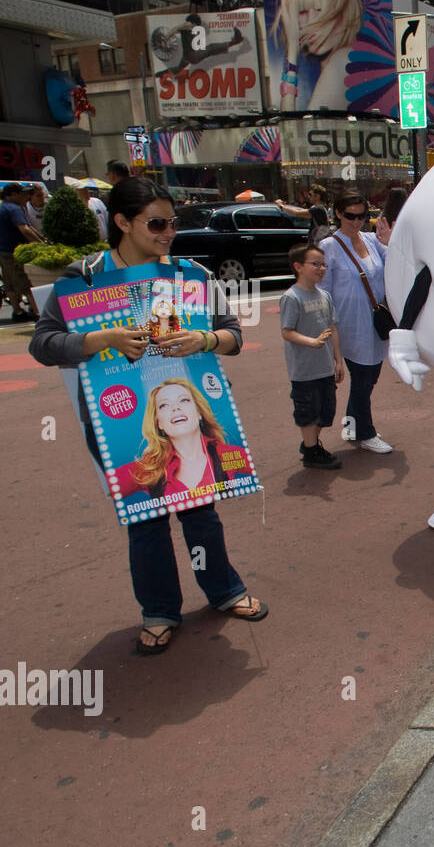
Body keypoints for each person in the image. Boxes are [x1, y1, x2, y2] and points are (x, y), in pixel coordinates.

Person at [28, 176, 266, 653]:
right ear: (122, 222)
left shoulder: (189, 275)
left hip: (188, 412)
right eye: (156, 223)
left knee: (201, 511)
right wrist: (98, 340)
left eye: (172, 222)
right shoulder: (84, 279)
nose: (168, 232)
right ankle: (159, 609)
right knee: (146, 518)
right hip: (118, 423)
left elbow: (232, 333)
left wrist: (205, 340)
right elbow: (43, 344)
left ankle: (223, 590)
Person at [320, 190, 390, 453]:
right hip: (347, 324)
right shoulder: (329, 246)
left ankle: (352, 428)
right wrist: (328, 327)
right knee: (363, 379)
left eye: (363, 216)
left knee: (368, 378)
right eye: (351, 216)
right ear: (338, 213)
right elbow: (323, 291)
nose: (357, 221)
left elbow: (393, 260)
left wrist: (390, 240)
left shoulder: (371, 240)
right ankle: (366, 432)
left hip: (373, 321)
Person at [113, 378, 255, 501]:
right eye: (164, 405)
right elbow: (111, 486)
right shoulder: (148, 467)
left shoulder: (226, 454)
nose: (175, 408)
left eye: (184, 400)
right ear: (158, 423)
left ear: (199, 412)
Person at [281, 243, 344, 469]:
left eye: (323, 264)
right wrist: (313, 342)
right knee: (308, 411)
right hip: (304, 370)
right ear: (298, 267)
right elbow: (287, 332)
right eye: (315, 264)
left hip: (325, 366)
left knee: (326, 411)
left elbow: (332, 327)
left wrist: (338, 360)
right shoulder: (292, 297)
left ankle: (310, 443)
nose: (321, 269)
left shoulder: (325, 295)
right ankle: (311, 450)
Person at [272, 0, 362, 111]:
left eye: (319, 10)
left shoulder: (343, 61)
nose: (310, 23)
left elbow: (293, 126)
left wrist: (292, 51)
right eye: (302, 12)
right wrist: (292, 46)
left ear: (345, 11)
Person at [156, 12, 245, 77]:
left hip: (186, 57)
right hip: (193, 56)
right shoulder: (188, 24)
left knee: (179, 68)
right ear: (193, 22)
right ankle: (236, 40)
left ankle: (163, 73)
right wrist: (165, 39)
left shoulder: (187, 28)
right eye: (196, 25)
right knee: (211, 48)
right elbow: (175, 28)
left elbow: (175, 30)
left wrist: (167, 38)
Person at [0, 183, 41, 320]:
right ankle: (38, 313)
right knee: (26, 282)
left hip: (4, 251)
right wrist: (41, 244)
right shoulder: (14, 209)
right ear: (12, 195)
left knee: (10, 282)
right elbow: (25, 229)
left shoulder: (3, 207)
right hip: (15, 252)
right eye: (22, 193)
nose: (26, 196)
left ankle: (17, 311)